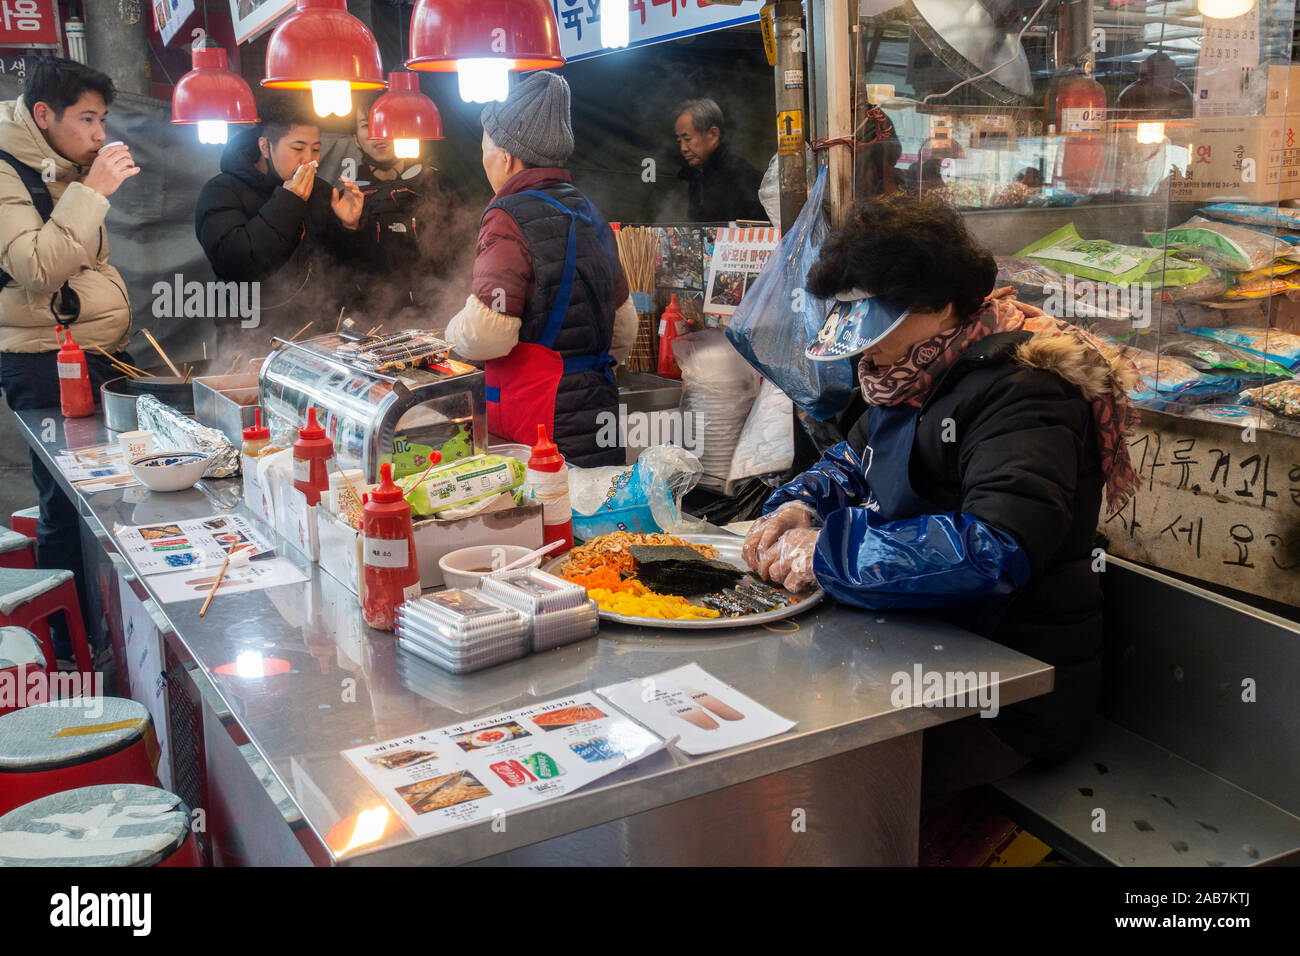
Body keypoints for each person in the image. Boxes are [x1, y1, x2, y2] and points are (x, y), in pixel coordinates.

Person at [743, 194, 1140, 803]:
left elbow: (995, 547)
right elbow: (856, 461)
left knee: (819, 791)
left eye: (874, 320)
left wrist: (829, 552)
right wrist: (803, 505)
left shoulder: (1025, 391)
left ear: (942, 304)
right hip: (912, 656)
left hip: (1007, 694)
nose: (860, 349)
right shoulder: (911, 372)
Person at [0, 57, 140, 668]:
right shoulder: (6, 168)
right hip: (43, 361)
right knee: (63, 502)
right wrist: (91, 192)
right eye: (87, 119)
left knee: (129, 487)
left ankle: (128, 628)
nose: (98, 135)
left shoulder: (68, 167)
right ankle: (74, 651)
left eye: (103, 119)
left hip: (103, 352)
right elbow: (36, 267)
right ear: (42, 115)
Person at [443, 72, 637, 468]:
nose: (483, 159)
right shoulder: (587, 211)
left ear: (506, 157)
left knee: (543, 526)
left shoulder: (506, 216)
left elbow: (489, 334)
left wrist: (448, 336)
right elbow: (624, 327)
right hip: (599, 413)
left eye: (484, 147)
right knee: (594, 523)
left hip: (539, 430)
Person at [194, 93, 364, 346]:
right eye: (297, 149)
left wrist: (349, 226)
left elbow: (342, 267)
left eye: (316, 149)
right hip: (250, 338)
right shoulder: (221, 191)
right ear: (265, 147)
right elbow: (237, 262)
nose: (310, 160)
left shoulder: (319, 191)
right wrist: (289, 201)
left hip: (318, 334)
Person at [340, 104, 466, 320]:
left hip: (435, 313)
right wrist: (349, 227)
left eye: (387, 123)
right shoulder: (346, 193)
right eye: (367, 126)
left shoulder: (437, 183)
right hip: (369, 319)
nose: (379, 135)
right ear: (354, 138)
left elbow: (461, 254)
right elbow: (338, 268)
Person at [674, 98, 766, 223]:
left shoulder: (739, 175)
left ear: (713, 134)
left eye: (688, 139)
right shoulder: (696, 177)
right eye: (680, 141)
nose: (683, 148)